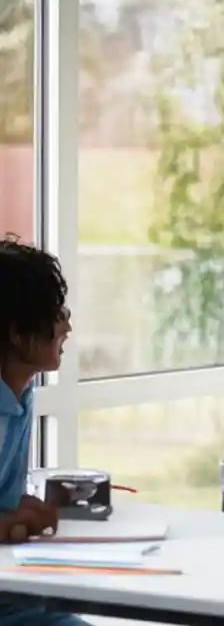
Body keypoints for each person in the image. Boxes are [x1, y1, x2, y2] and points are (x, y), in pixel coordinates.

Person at [0, 237, 84, 625]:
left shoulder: (22, 389)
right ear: (17, 332)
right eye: (55, 312)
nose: (67, 322)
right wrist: (11, 523)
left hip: (21, 593)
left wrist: (18, 509)